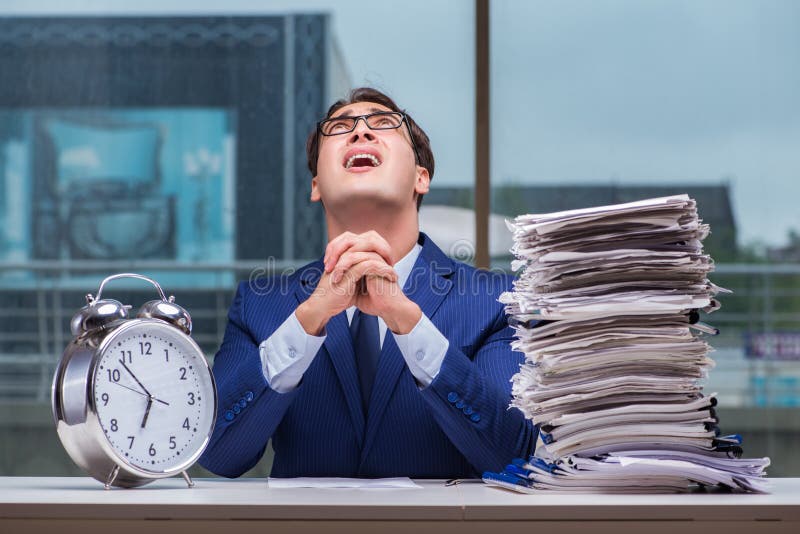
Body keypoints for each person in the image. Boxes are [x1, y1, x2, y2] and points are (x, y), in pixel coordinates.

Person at [199, 87, 538, 478]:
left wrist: (408, 321)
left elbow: (513, 453)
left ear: (421, 178)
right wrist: (306, 322)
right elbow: (217, 452)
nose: (361, 132)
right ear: (316, 185)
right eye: (340, 127)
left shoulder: (497, 301)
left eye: (384, 124)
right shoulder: (259, 304)